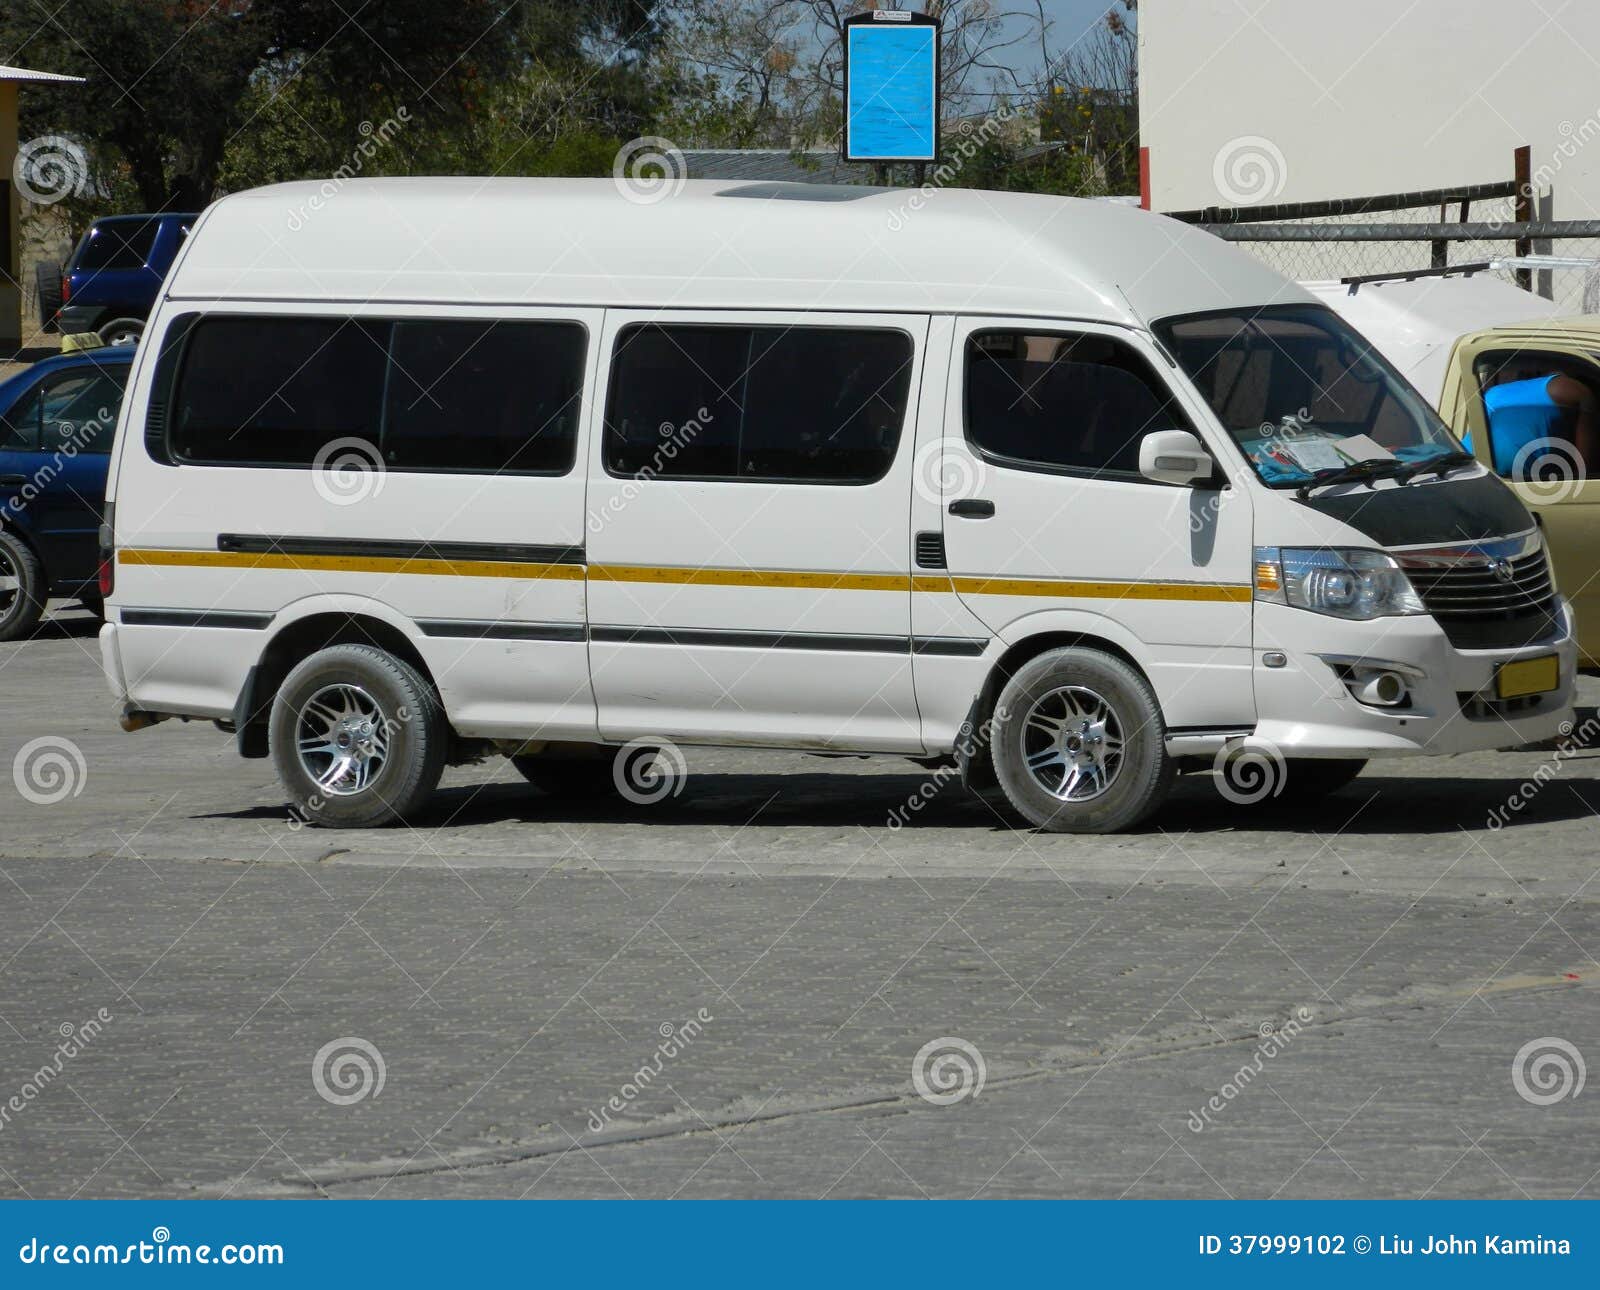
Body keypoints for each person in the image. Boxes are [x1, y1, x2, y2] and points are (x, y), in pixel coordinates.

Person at [1469, 362, 1598, 478]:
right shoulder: (1560, 388)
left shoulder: (1492, 393)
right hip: (1494, 477)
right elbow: (1585, 474)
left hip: (1467, 469)